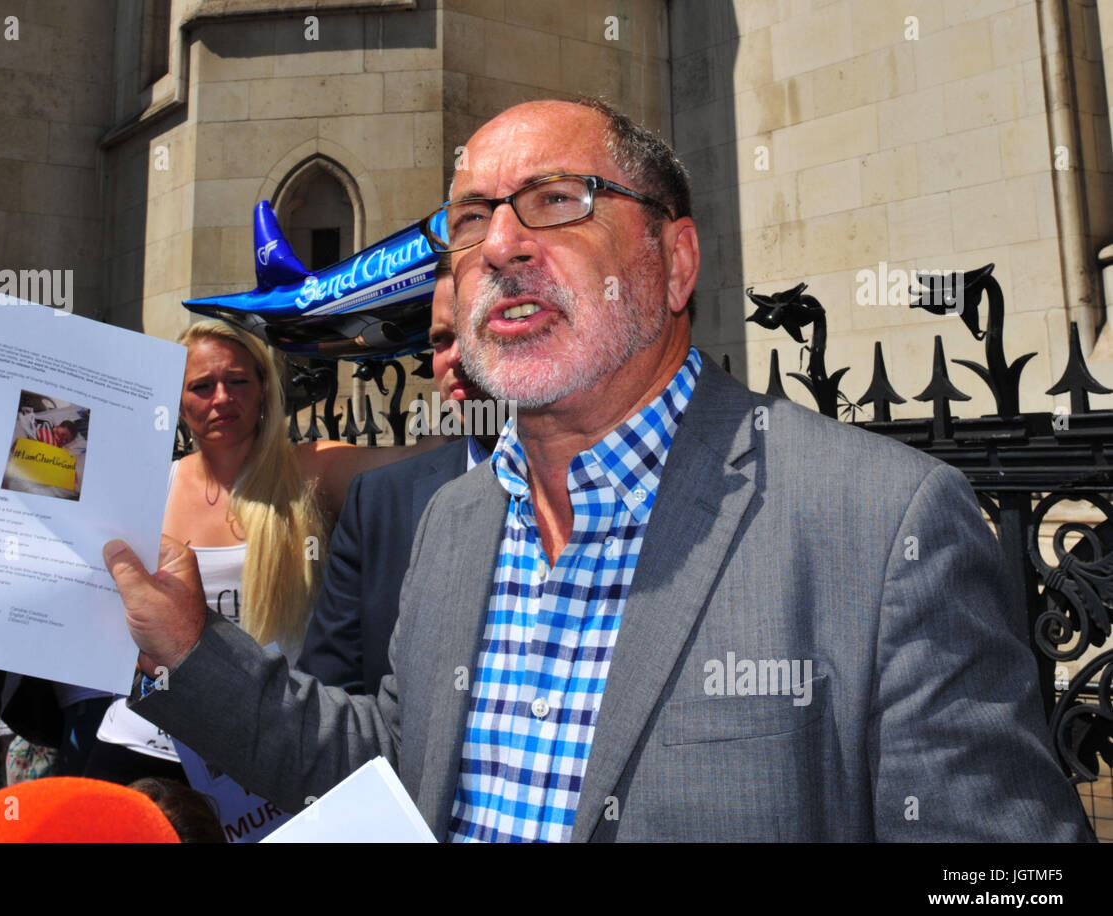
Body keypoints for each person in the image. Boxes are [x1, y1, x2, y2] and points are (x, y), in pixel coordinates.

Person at [104, 98, 1094, 842]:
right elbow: (394, 769)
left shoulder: (881, 527)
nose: (499, 246)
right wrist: (193, 650)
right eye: (469, 220)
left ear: (672, 262)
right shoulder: (458, 520)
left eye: (555, 202)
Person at [86, 319, 433, 784]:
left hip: (268, 748)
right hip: (149, 745)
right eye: (202, 386)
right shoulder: (154, 486)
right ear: (178, 398)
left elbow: (421, 466)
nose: (222, 398)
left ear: (265, 388)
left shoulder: (311, 469)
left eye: (237, 381)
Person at [298, 260, 499, 693]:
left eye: (476, 331)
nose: (455, 359)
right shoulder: (377, 502)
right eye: (441, 340)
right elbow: (333, 701)